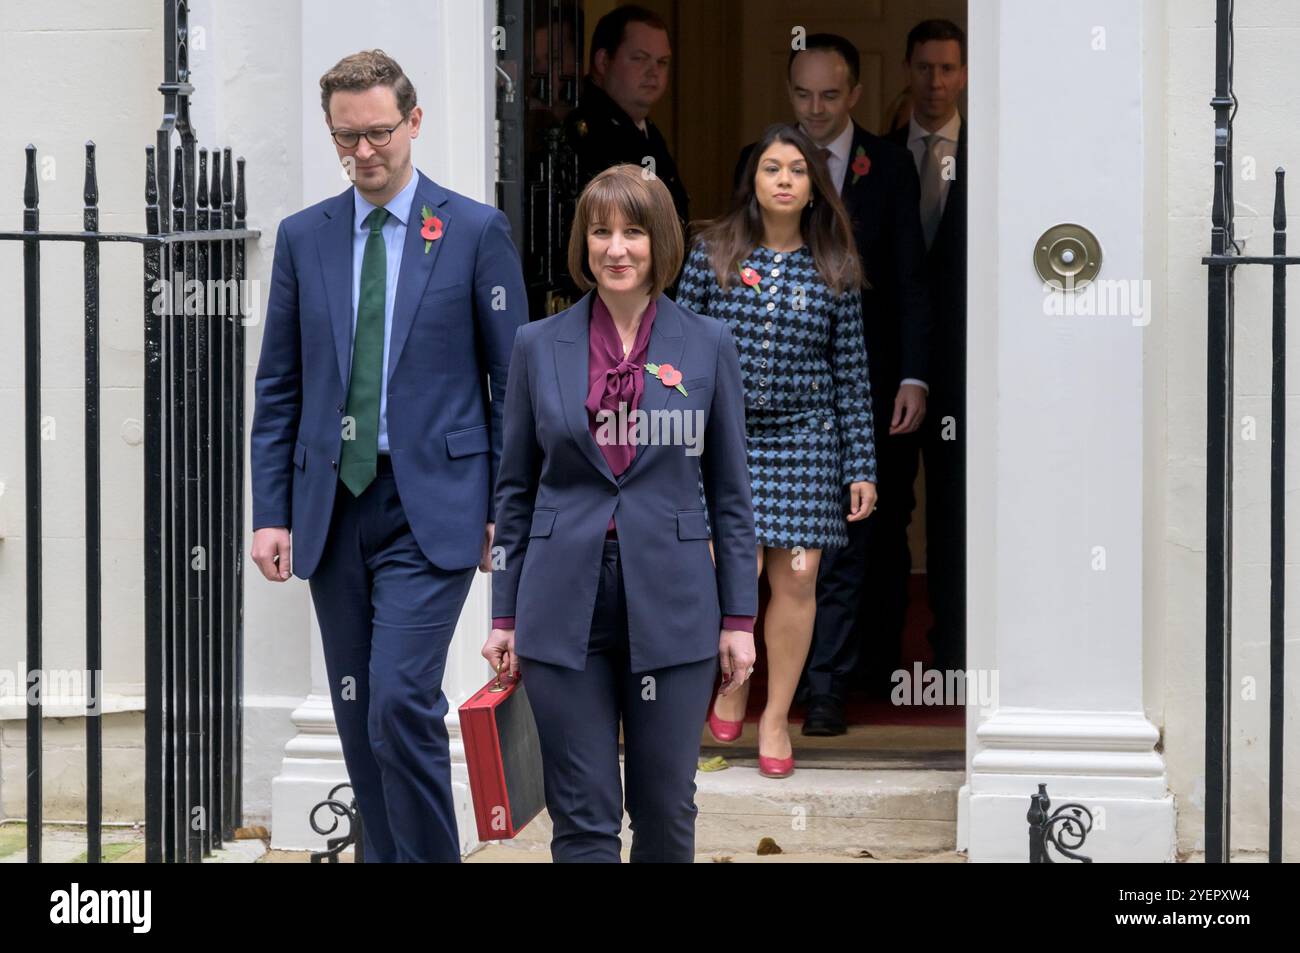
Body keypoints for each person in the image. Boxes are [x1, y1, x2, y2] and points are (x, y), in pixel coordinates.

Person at [249, 49, 527, 862]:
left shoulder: (474, 229)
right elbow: (280, 387)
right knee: (356, 713)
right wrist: (271, 512)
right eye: (346, 138)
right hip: (331, 508)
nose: (363, 152)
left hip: (432, 505)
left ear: (414, 121)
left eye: (378, 133)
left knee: (398, 701)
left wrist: (499, 510)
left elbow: (510, 386)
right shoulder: (306, 237)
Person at [484, 164, 757, 862]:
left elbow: (730, 495)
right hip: (560, 600)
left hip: (672, 599)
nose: (616, 248)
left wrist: (739, 620)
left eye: (633, 231)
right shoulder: (537, 345)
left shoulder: (708, 345)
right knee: (583, 816)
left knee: (666, 811)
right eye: (601, 231)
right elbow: (514, 491)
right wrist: (504, 614)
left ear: (658, 240)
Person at [735, 34, 932, 736]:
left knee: (842, 549)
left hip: (860, 380)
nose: (814, 108)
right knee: (751, 565)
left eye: (828, 94)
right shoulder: (755, 174)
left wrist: (914, 372)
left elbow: (911, 276)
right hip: (760, 405)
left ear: (853, 94)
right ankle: (753, 693)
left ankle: (826, 689)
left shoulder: (889, 167)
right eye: (801, 94)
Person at [679, 123, 877, 777]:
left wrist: (861, 468)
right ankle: (733, 679)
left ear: (815, 188)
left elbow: (850, 374)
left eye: (797, 169)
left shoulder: (836, 267)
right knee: (727, 569)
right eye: (772, 167)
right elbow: (677, 354)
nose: (785, 178)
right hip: (723, 438)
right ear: (753, 181)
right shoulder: (711, 255)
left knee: (795, 577)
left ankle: (775, 716)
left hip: (806, 441)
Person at [886, 19, 968, 672]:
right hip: (890, 365)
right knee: (884, 510)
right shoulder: (880, 156)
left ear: (964, 74)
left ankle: (952, 654)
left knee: (956, 511)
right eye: (925, 68)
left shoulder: (992, 157)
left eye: (948, 68)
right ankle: (877, 655)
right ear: (907, 71)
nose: (936, 82)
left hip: (967, 367)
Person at [564, 4, 689, 228]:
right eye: (640, 58)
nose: (654, 72)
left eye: (662, 62)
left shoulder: (646, 129)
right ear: (603, 61)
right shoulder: (585, 128)